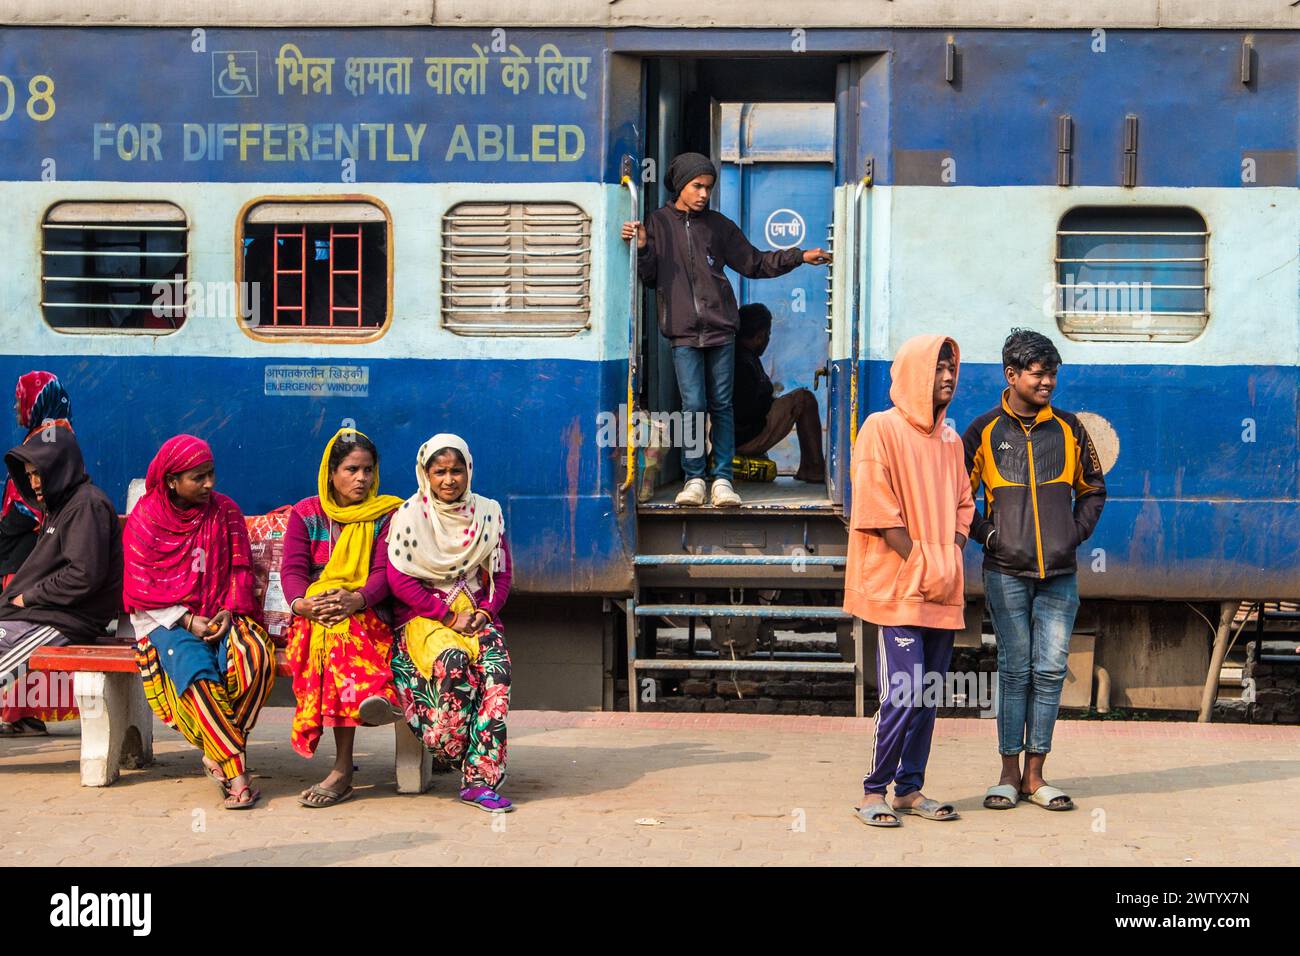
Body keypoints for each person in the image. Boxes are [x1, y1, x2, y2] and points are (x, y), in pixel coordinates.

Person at [622, 152, 831, 507]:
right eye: (697, 186)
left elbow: (754, 262)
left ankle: (722, 479)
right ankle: (693, 480)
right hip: (683, 332)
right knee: (693, 406)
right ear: (680, 186)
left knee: (721, 405)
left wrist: (799, 256)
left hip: (721, 331)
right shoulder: (657, 223)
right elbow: (650, 277)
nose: (704, 194)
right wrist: (642, 247)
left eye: (709, 187)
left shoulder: (718, 226)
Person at [963, 329, 1106, 812]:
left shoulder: (1069, 429)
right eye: (1038, 373)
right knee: (1015, 670)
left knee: (1049, 671)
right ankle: (1006, 775)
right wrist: (990, 537)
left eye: (1052, 374)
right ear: (1012, 375)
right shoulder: (983, 431)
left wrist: (1073, 534)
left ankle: (1035, 776)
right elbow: (959, 500)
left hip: (1059, 574)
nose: (1048, 382)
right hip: (1005, 571)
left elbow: (1093, 490)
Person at [844, 335, 973, 828]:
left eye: (951, 369)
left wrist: (950, 554)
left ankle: (910, 789)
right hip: (897, 585)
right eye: (938, 368)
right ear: (914, 372)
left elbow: (964, 502)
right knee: (904, 688)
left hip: (941, 584)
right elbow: (874, 504)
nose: (947, 377)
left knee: (930, 690)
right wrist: (920, 556)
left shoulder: (951, 440)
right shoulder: (880, 428)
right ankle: (873, 791)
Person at [122, 435, 276, 810]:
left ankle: (215, 752)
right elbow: (142, 590)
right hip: (166, 621)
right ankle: (236, 773)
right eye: (198, 477)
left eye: (211, 474)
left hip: (224, 613)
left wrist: (227, 610)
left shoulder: (225, 512)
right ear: (171, 480)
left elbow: (241, 572)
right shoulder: (145, 521)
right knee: (196, 673)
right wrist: (187, 620)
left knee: (255, 657)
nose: (209, 484)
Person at [386, 434, 514, 813]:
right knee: (453, 663)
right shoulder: (409, 518)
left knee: (497, 672)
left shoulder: (487, 514)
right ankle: (448, 749)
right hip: (426, 619)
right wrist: (447, 616)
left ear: (468, 471)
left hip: (476, 616)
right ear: (425, 474)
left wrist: (485, 612)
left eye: (456, 470)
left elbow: (502, 574)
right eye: (439, 471)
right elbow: (400, 580)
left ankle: (480, 779)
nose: (448, 479)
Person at [282, 427, 404, 808]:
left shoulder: (386, 515)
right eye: (351, 469)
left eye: (368, 470)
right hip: (314, 613)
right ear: (330, 473)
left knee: (340, 635)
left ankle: (343, 767)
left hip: (367, 612)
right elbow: (293, 571)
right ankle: (376, 697)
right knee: (327, 635)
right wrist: (301, 604)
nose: (361, 479)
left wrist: (357, 599)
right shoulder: (307, 514)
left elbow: (387, 573)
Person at [0, 428, 122, 733]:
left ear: (61, 467)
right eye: (29, 475)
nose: (34, 483)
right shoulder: (61, 506)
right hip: (41, 616)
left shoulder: (86, 505)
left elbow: (83, 575)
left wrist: (29, 597)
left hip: (63, 620)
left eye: (40, 472)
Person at [0, 371, 79, 735]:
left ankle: (18, 712)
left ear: (38, 399)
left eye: (22, 399)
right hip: (26, 552)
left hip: (26, 555)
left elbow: (26, 509)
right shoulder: (55, 431)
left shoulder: (48, 437)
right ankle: (20, 712)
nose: (17, 406)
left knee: (19, 633)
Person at [733, 303, 826, 482]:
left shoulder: (737, 356)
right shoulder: (743, 362)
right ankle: (814, 468)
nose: (767, 340)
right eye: (767, 335)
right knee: (805, 399)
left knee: (795, 400)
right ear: (760, 336)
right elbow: (746, 411)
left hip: (732, 437)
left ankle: (809, 468)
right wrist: (773, 404)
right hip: (746, 437)